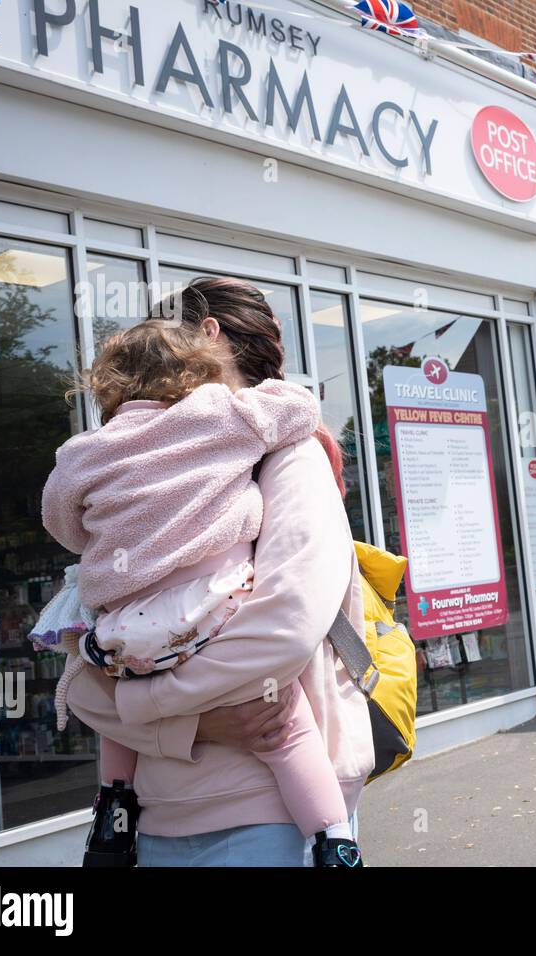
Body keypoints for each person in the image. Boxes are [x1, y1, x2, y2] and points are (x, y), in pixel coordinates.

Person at [64, 277, 374, 866]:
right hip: (159, 817)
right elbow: (81, 679)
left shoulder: (288, 455)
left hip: (270, 815)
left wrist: (147, 701)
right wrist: (196, 722)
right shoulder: (143, 479)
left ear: (209, 335)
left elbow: (286, 628)